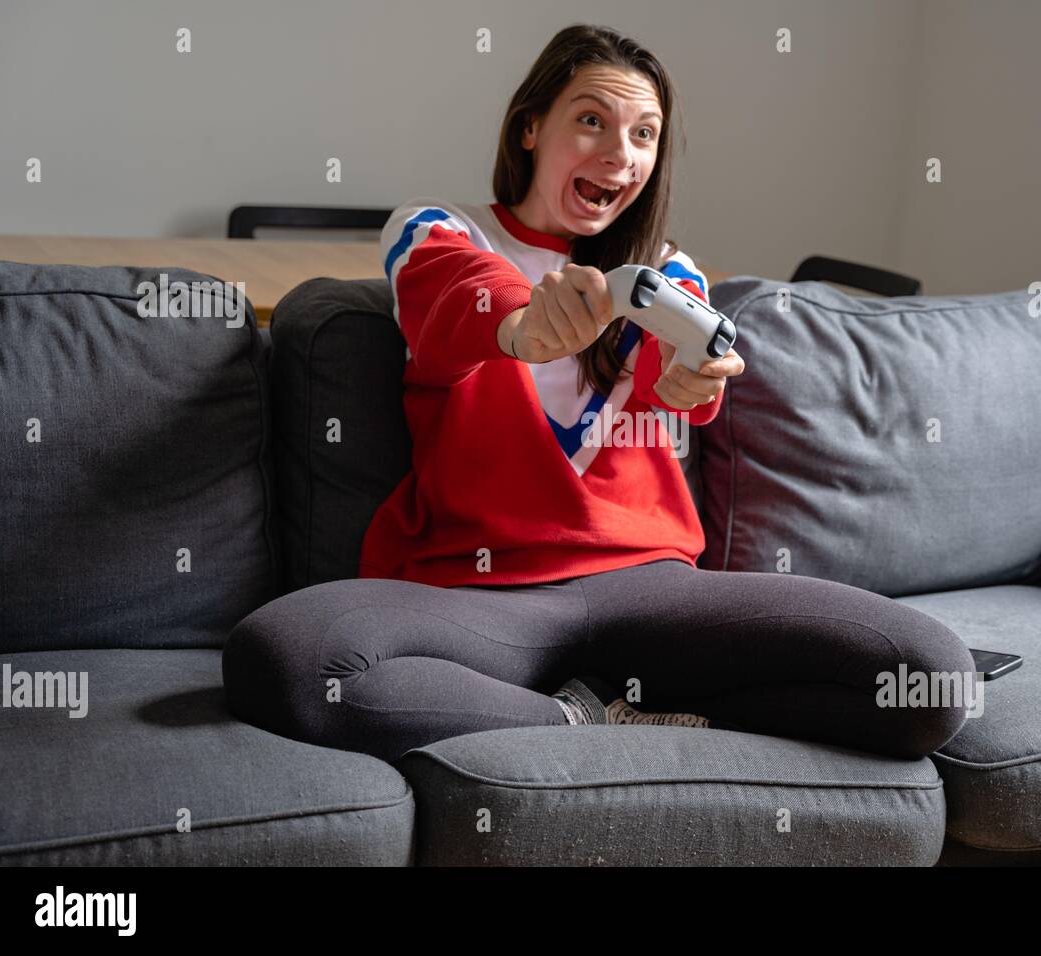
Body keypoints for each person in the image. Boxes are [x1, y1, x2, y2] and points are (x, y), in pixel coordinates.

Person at [222, 23, 977, 764]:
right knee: (285, 658)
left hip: (648, 586)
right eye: (591, 121)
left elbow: (671, 368)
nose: (620, 154)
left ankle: (632, 709)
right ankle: (587, 718)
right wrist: (524, 330)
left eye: (645, 134)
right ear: (529, 128)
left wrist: (689, 383)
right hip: (475, 590)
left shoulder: (669, 271)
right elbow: (464, 296)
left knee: (931, 682)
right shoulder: (433, 231)